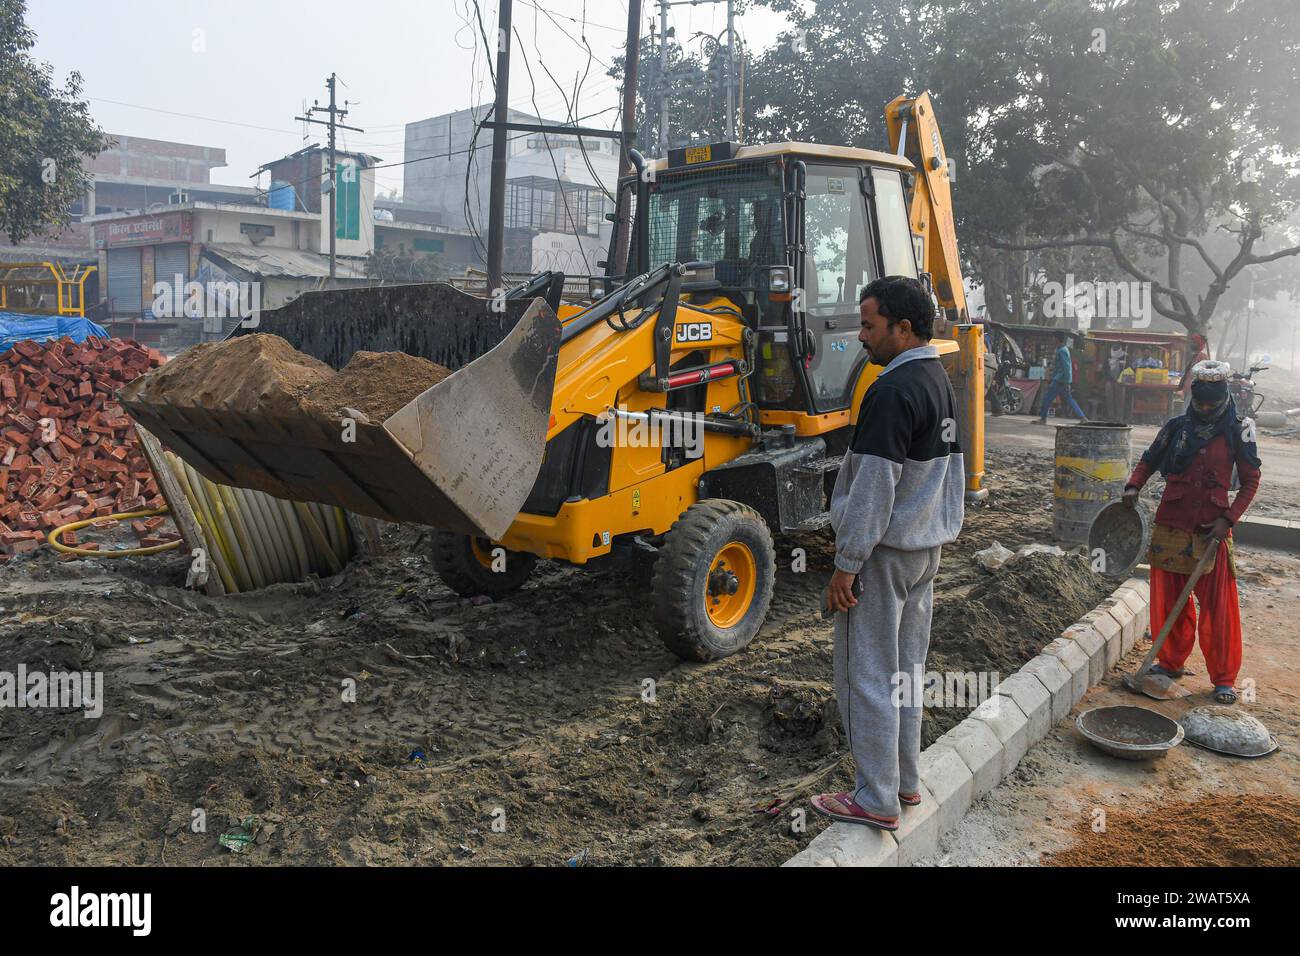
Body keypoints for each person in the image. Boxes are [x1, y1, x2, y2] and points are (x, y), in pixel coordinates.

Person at [812, 276, 965, 831]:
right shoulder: (938, 381)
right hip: (925, 551)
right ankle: (903, 781)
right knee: (905, 670)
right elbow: (951, 475)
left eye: (870, 326)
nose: (861, 337)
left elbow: (874, 487)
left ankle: (875, 799)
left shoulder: (892, 392)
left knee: (867, 674)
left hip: (882, 555)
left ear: (904, 328)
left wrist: (846, 565)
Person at [1122, 360, 1261, 704]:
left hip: (1211, 529)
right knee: (1169, 600)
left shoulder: (1239, 430)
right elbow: (1149, 459)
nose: (1204, 410)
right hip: (1172, 522)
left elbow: (1250, 480)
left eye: (1211, 405)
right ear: (1192, 399)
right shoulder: (1176, 427)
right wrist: (1133, 486)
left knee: (1218, 606)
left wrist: (1228, 519)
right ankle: (1170, 662)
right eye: (1199, 404)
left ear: (1224, 398)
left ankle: (1224, 678)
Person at [1034, 331, 1086, 423]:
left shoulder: (1062, 351)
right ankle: (1082, 418)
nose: (1052, 339)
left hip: (1060, 380)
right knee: (1069, 399)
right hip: (1062, 380)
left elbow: (1066, 367)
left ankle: (1043, 418)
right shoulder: (1062, 349)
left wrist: (1065, 381)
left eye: (1053, 338)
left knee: (1047, 398)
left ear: (1057, 339)